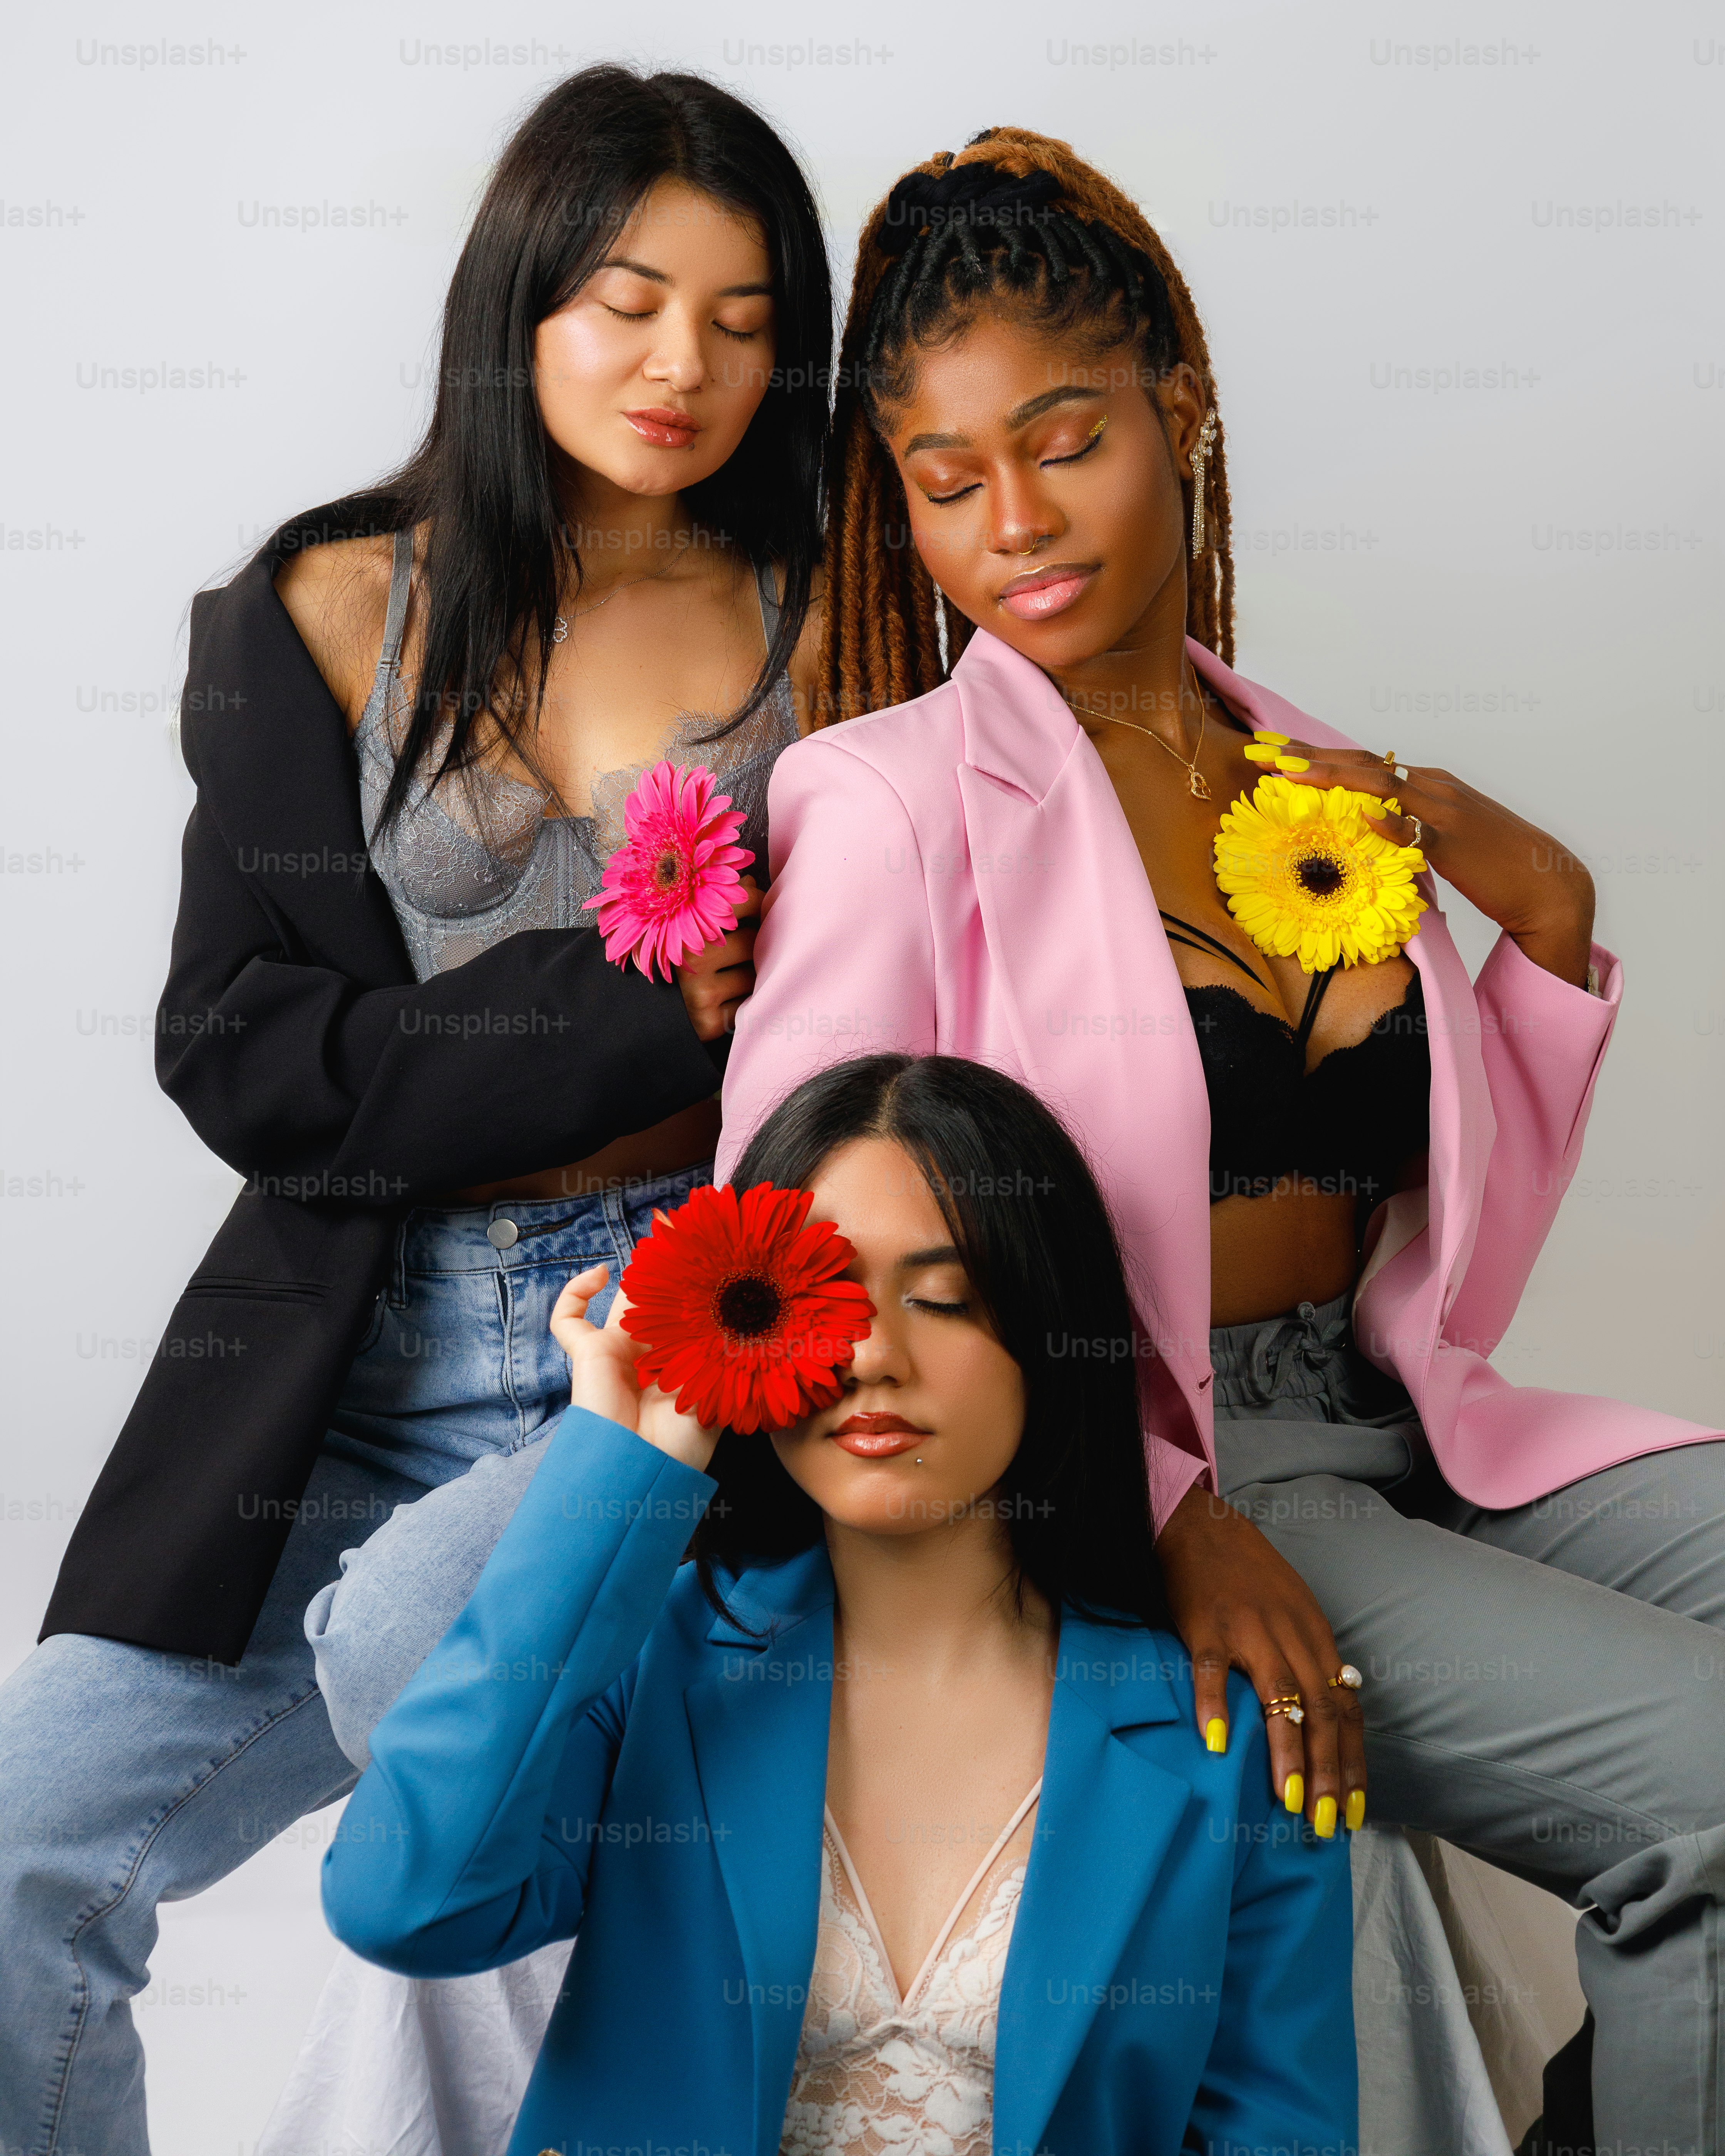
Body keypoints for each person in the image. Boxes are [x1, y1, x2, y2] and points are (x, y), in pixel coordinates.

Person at [715, 129, 1725, 2150]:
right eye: (947, 479)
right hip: (1162, 1461)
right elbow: (795, 1241)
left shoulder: (1304, 773)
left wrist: (1530, 903)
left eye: (1066, 439)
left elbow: (1438, 1206)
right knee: (1709, 1788)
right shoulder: (892, 799)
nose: (1017, 522)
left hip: (1410, 1421)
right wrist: (1162, 1516)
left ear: (1177, 404)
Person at [0, 64, 832, 2154]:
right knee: (18, 1871)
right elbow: (245, 1056)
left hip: (678, 1351)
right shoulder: (318, 606)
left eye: (743, 320)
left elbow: (898, 1036)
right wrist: (628, 1017)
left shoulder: (845, 619)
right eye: (630, 299)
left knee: (425, 1702)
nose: (683, 365)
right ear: (520, 298)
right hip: (340, 1374)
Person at [319, 1052, 1358, 2156]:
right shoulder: (652, 1671)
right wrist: (618, 1464)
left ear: (1050, 1334)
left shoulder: (1229, 1745)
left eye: (944, 1299)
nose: (871, 1355)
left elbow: (1280, 2134)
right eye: (817, 1302)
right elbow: (404, 1899)